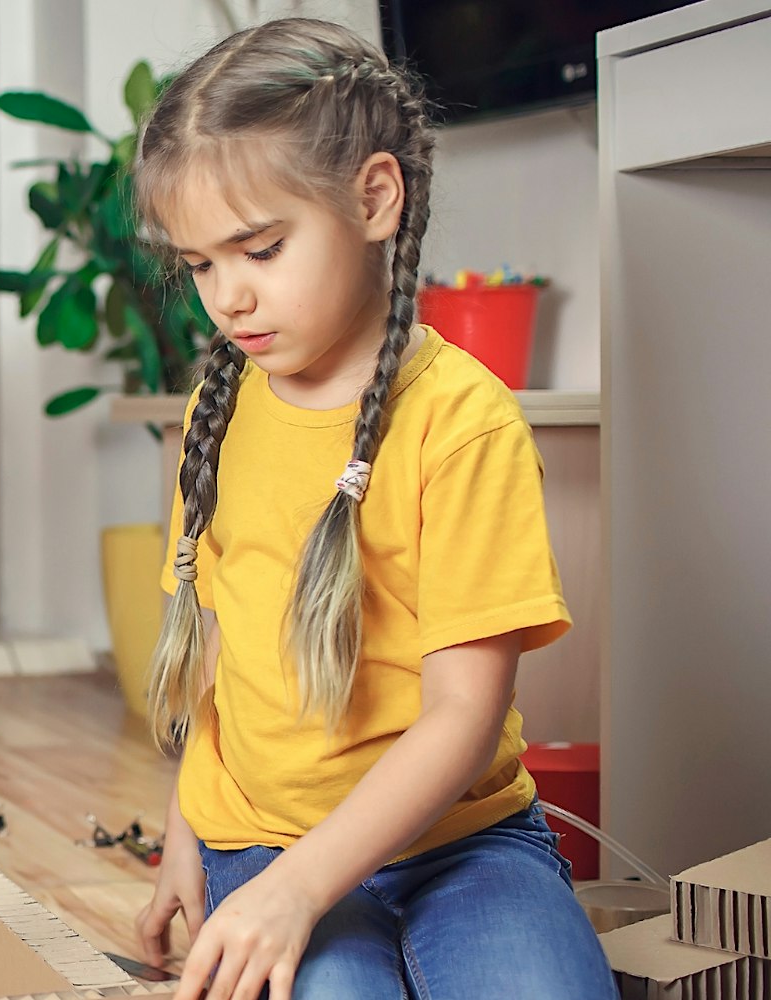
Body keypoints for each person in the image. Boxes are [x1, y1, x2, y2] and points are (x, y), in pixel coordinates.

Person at [125, 18, 616, 1000]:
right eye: (200, 264)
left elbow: (463, 715)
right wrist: (187, 835)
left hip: (464, 842)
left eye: (260, 249)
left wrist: (302, 890)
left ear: (374, 198)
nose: (227, 297)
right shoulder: (217, 412)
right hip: (263, 839)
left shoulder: (462, 422)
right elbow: (225, 657)